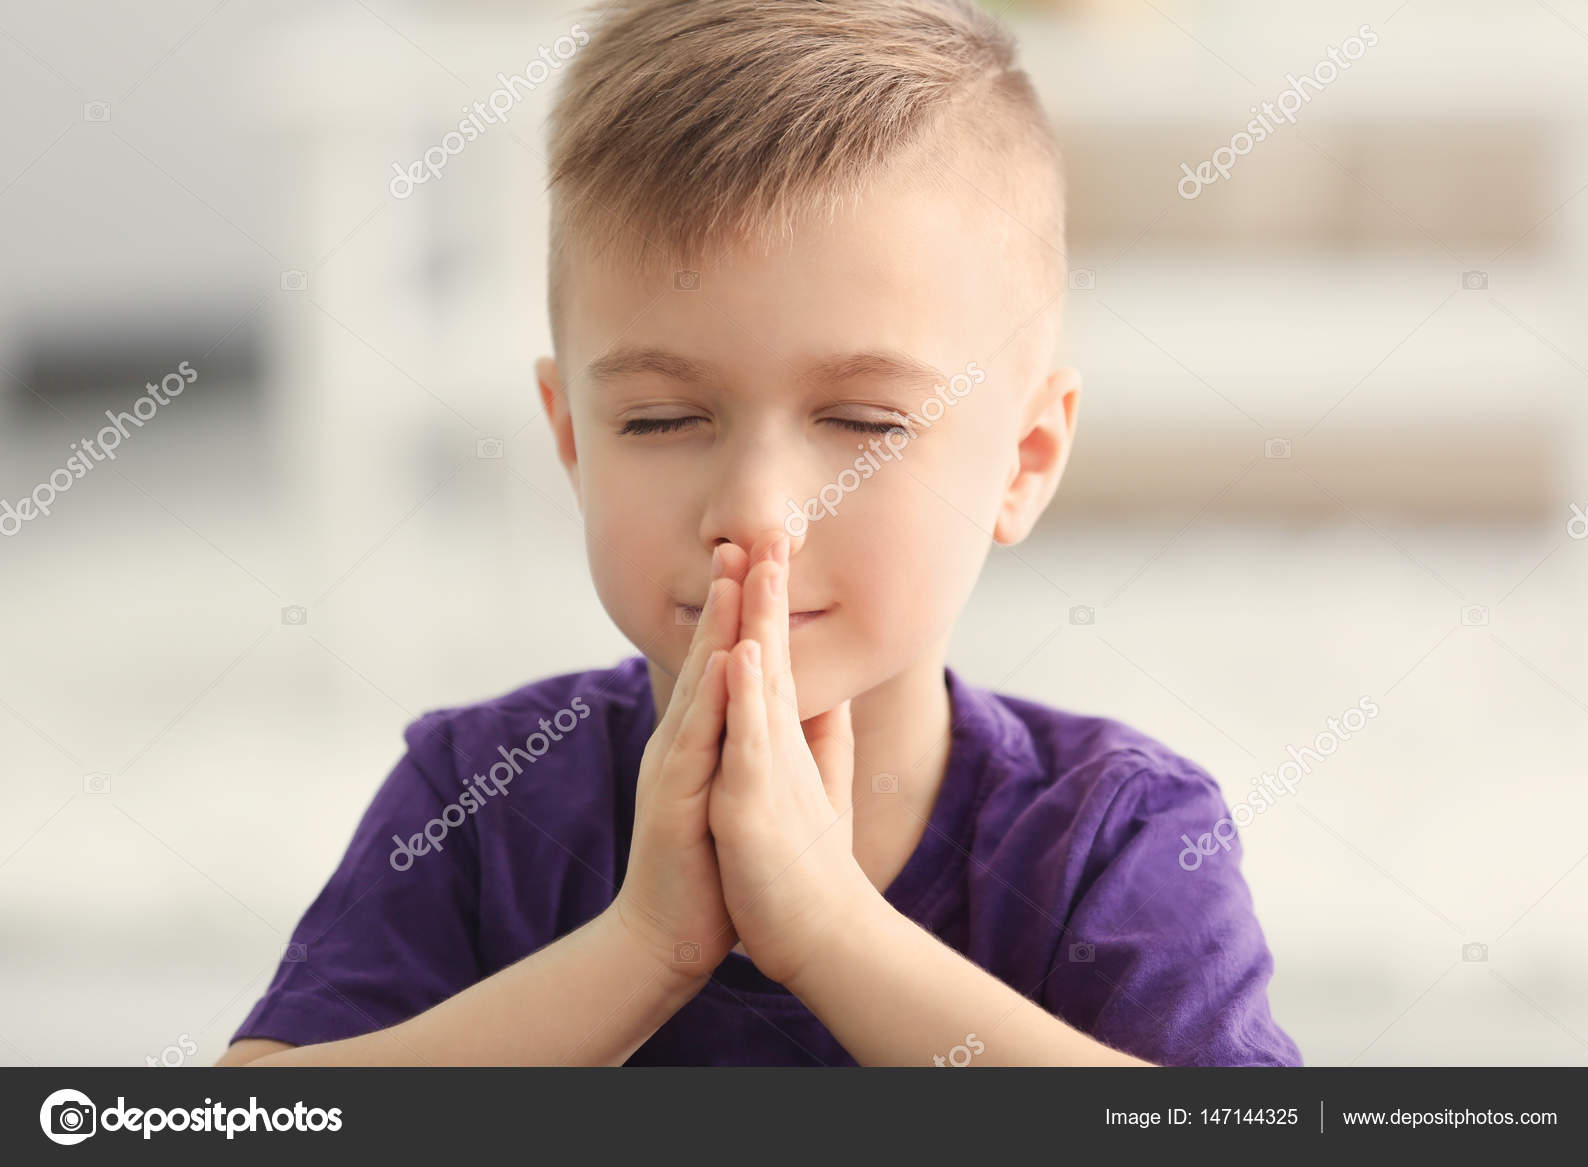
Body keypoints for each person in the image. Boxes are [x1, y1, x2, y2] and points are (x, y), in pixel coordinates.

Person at [218, 0, 1299, 1067]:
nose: (753, 511)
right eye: (661, 419)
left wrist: (832, 937)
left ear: (1021, 462)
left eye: (864, 423)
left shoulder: (1109, 837)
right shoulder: (480, 799)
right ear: (571, 441)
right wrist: (644, 950)